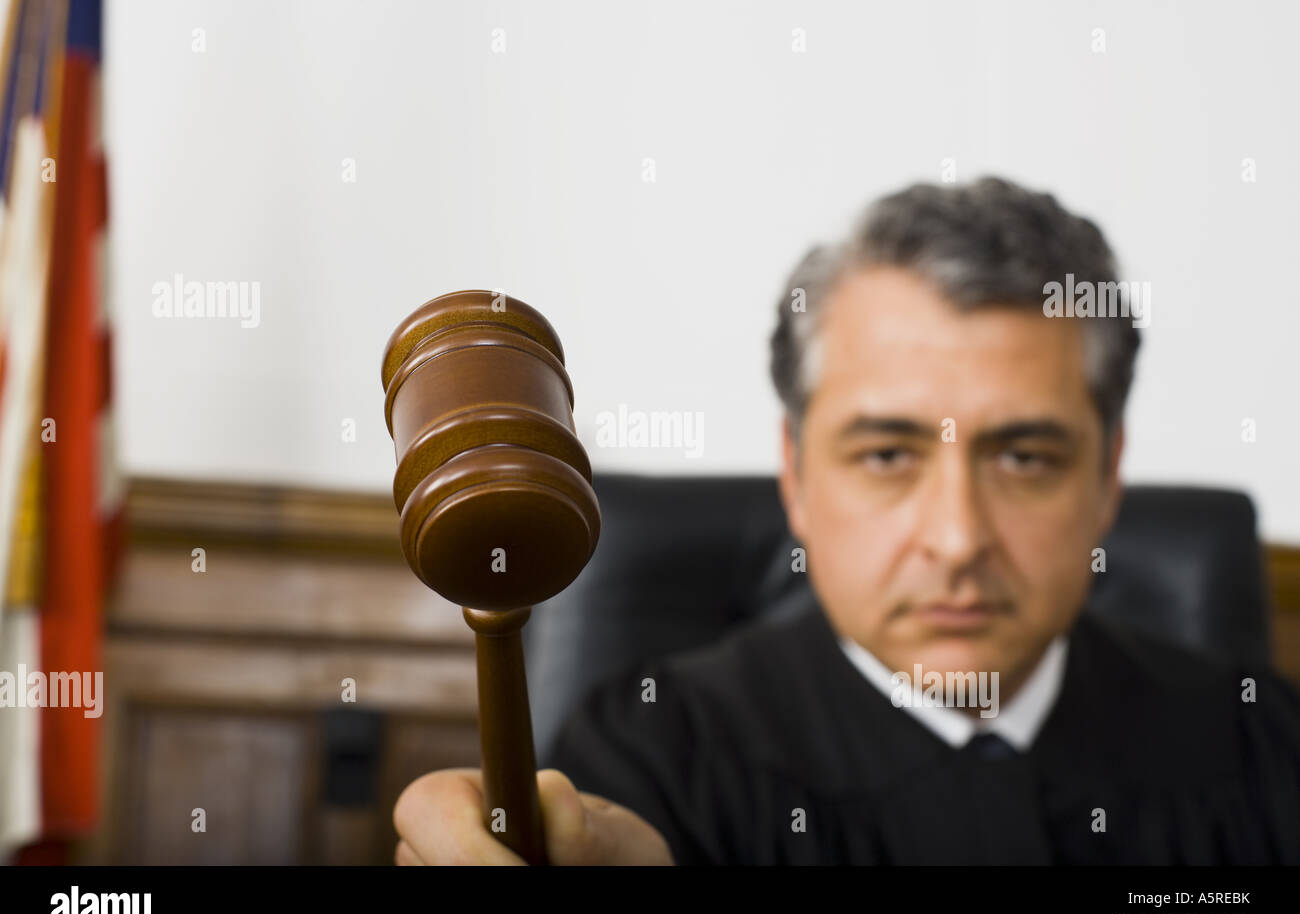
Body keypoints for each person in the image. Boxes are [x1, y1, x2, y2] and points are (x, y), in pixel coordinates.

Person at [393, 176, 1300, 865]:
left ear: (1108, 479)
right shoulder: (651, 757)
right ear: (795, 476)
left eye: (1025, 457)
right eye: (887, 455)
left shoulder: (1264, 750)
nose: (957, 539)